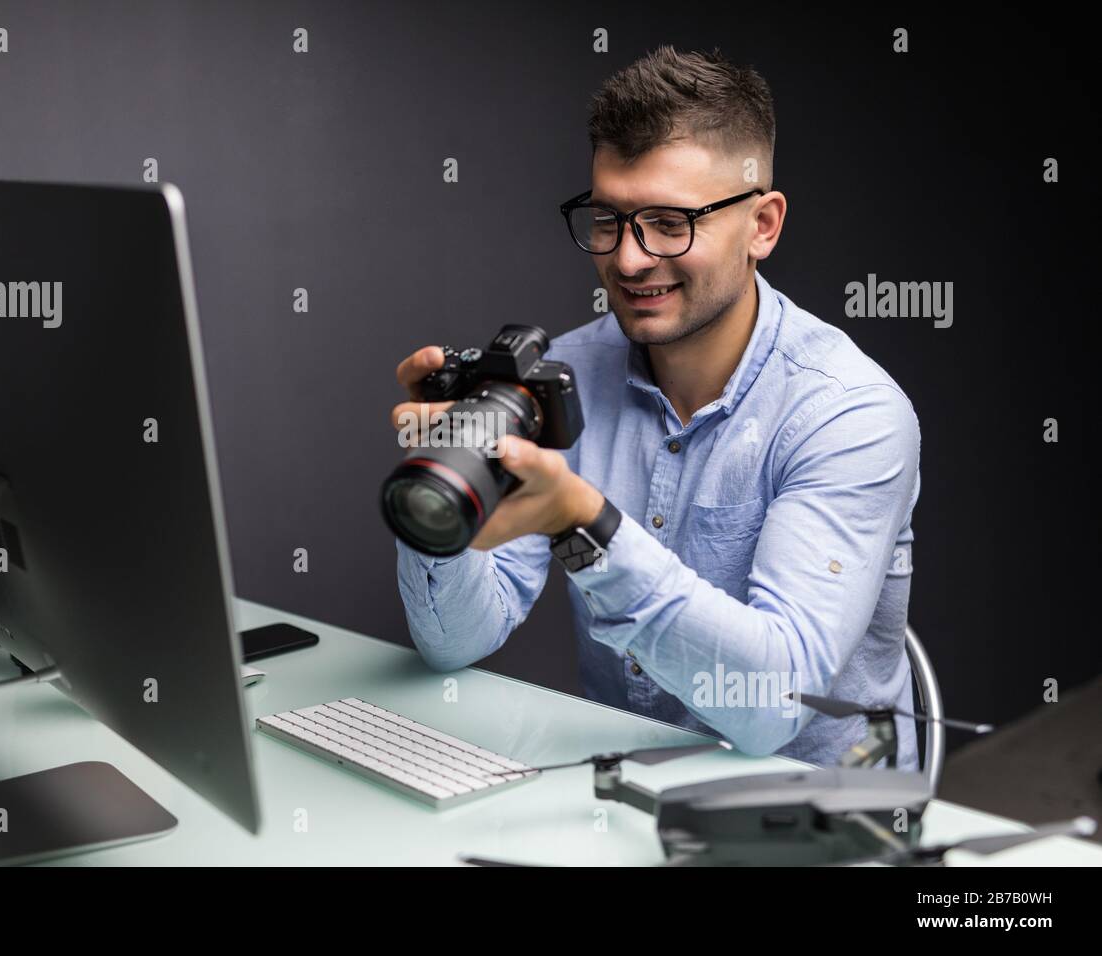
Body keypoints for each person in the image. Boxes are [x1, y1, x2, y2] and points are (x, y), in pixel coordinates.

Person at [390, 45, 921, 768]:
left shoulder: (849, 414)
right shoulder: (565, 376)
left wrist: (585, 522)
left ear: (762, 225)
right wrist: (441, 485)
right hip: (621, 801)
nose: (629, 260)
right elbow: (456, 640)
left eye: (671, 222)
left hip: (818, 820)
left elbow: (774, 710)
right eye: (607, 218)